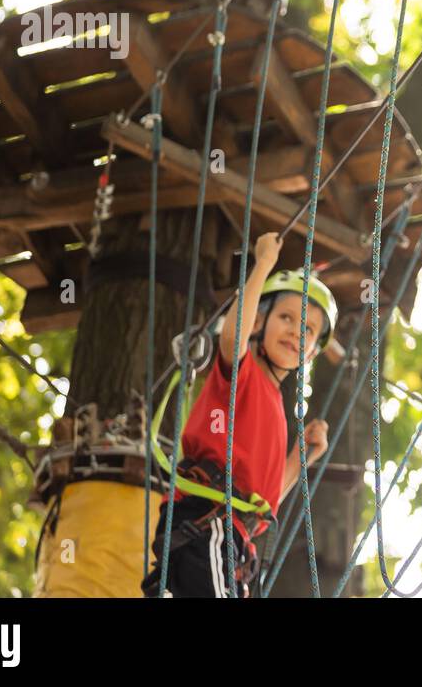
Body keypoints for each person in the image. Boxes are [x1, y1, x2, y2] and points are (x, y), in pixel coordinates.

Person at [142, 232, 337, 596]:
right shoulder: (243, 375)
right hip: (207, 523)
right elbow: (232, 337)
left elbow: (266, 497)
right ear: (260, 322)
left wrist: (302, 457)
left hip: (233, 540)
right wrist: (262, 265)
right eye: (286, 317)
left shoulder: (276, 410)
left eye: (307, 329)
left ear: (311, 353)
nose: (295, 331)